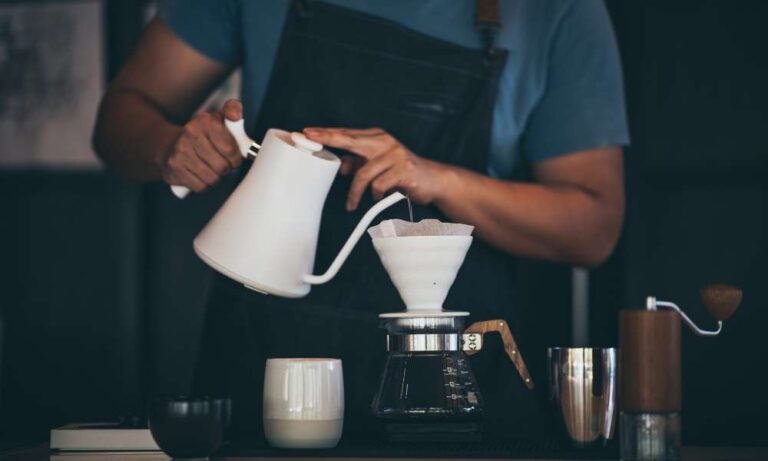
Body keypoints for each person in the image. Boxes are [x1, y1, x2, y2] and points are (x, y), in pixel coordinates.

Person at [93, 0, 628, 442]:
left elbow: (594, 228)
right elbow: (118, 120)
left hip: (450, 385)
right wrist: (169, 147)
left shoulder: (557, 12)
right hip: (266, 364)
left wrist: (437, 179)